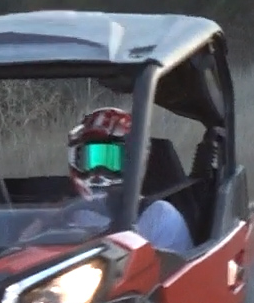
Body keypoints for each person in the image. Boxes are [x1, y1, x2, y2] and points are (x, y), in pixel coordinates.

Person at [68, 107, 194, 254]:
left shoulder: (161, 218)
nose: (99, 169)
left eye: (109, 158)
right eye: (91, 158)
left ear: (132, 160)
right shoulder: (80, 215)